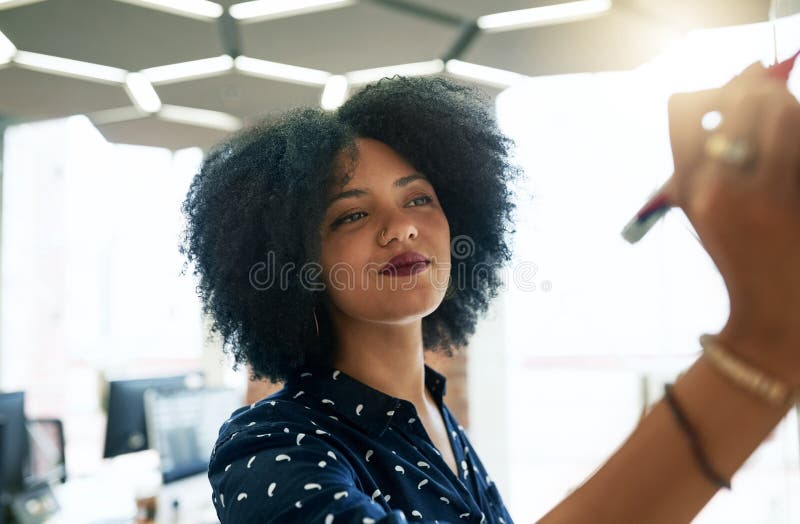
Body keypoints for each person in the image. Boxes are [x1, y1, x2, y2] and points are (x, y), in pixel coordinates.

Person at [180, 63, 800, 523]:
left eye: (419, 198)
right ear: (298, 260)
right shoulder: (270, 444)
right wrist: (759, 345)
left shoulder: (434, 414)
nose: (402, 228)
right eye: (352, 215)